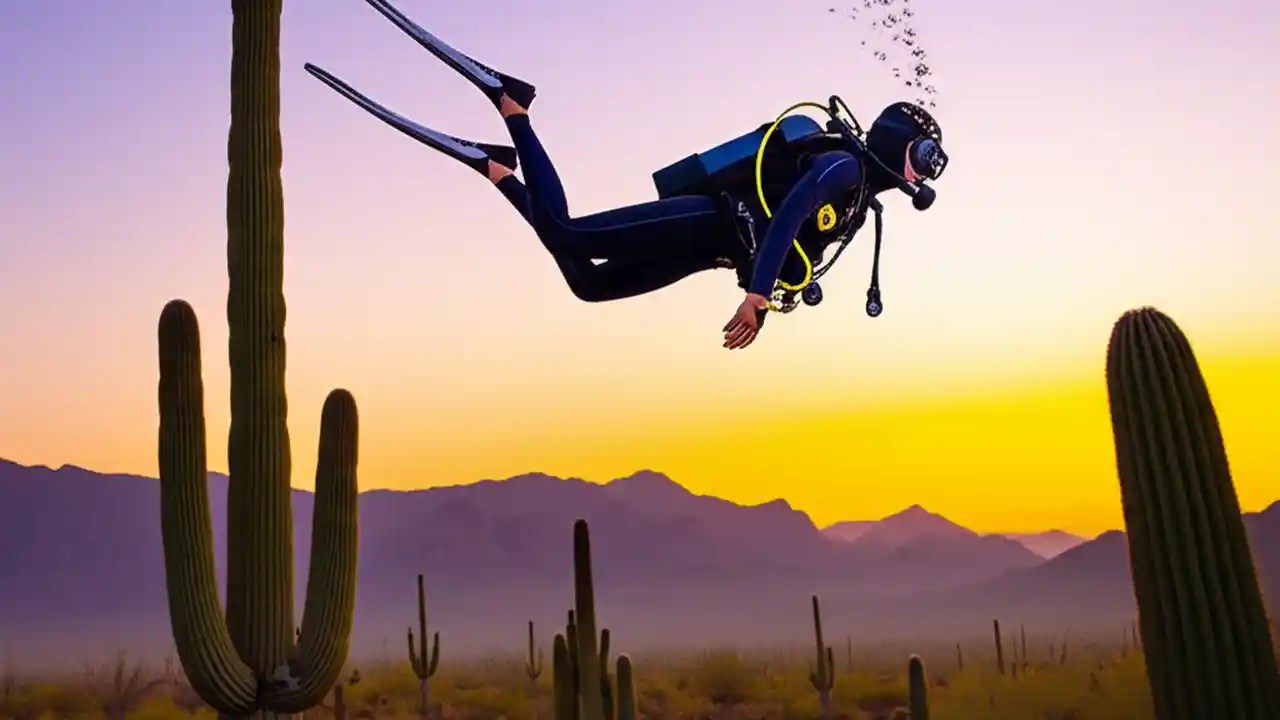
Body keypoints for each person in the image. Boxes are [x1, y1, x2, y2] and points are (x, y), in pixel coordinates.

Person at [305, 0, 948, 350]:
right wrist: (757, 294)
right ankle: (514, 107)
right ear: (896, 146)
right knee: (574, 236)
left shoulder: (862, 193)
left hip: (712, 251)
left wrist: (758, 287)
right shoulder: (842, 165)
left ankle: (501, 168)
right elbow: (791, 207)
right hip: (710, 221)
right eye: (924, 156)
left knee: (587, 283)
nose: (926, 172)